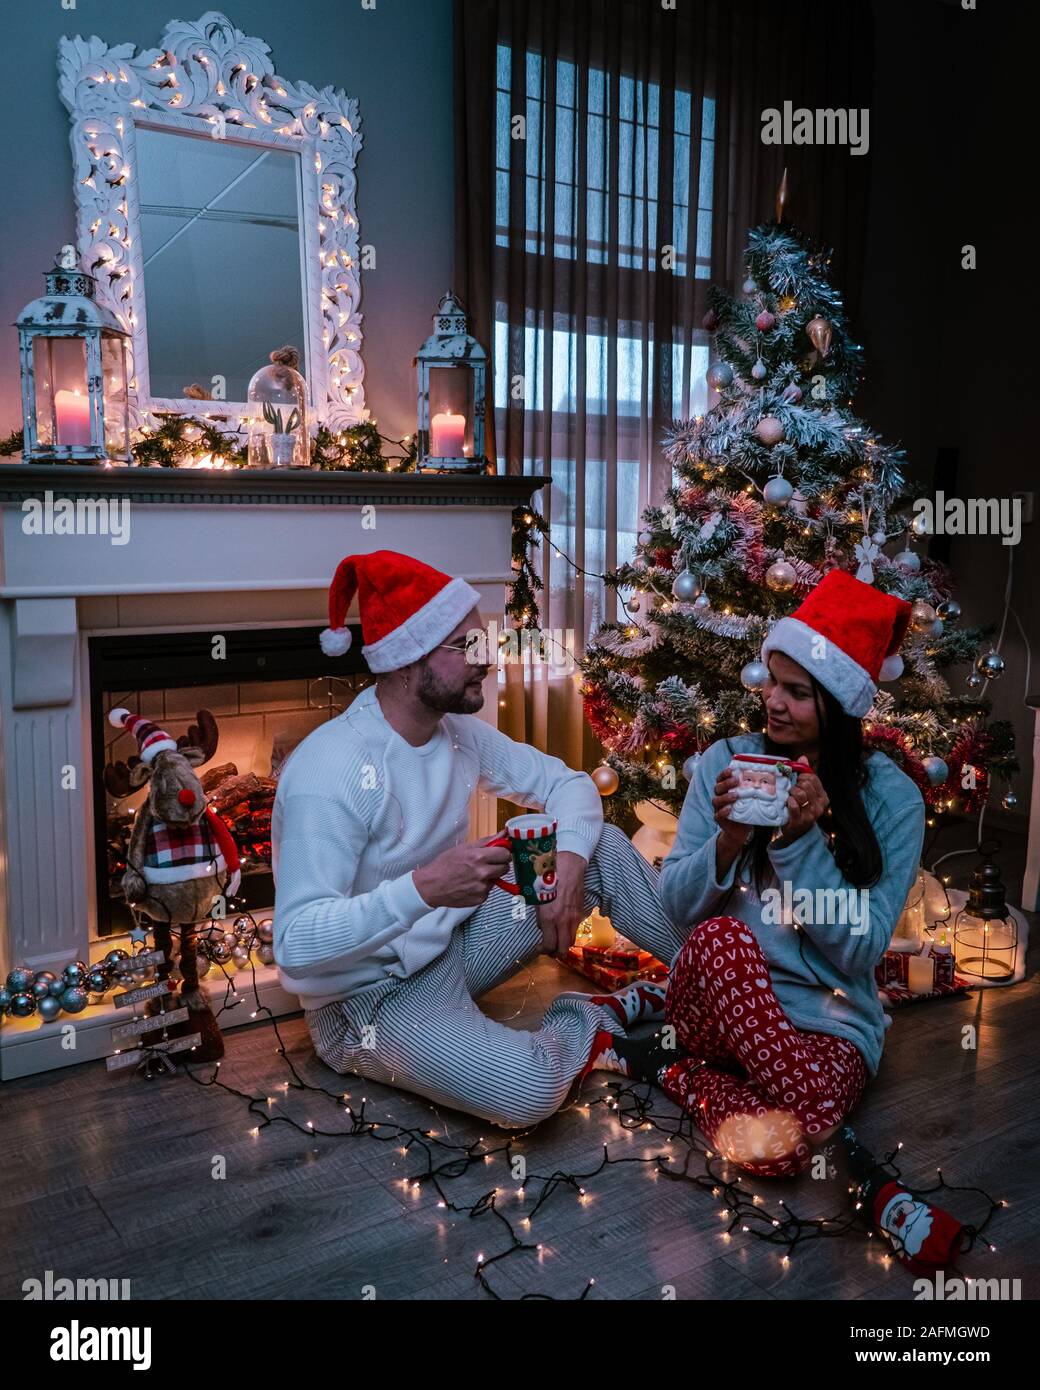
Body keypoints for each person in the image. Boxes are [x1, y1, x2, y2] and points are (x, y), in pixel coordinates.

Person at [271, 550, 684, 1129]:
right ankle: (595, 1019)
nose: (487, 660)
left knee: (602, 849)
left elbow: (569, 786)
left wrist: (566, 870)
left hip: (454, 944)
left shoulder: (458, 734)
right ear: (407, 661)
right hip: (367, 1000)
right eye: (467, 648)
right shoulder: (332, 769)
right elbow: (295, 945)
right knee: (528, 1092)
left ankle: (715, 992)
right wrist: (424, 889)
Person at [586, 570, 926, 1178]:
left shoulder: (893, 801)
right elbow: (679, 910)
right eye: (772, 680)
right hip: (716, 1005)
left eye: (796, 692)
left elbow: (861, 951)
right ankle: (828, 1131)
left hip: (829, 1021)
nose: (772, 699)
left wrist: (800, 845)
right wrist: (732, 838)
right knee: (722, 939)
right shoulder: (725, 761)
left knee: (778, 1150)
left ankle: (672, 1070)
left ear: (841, 704)